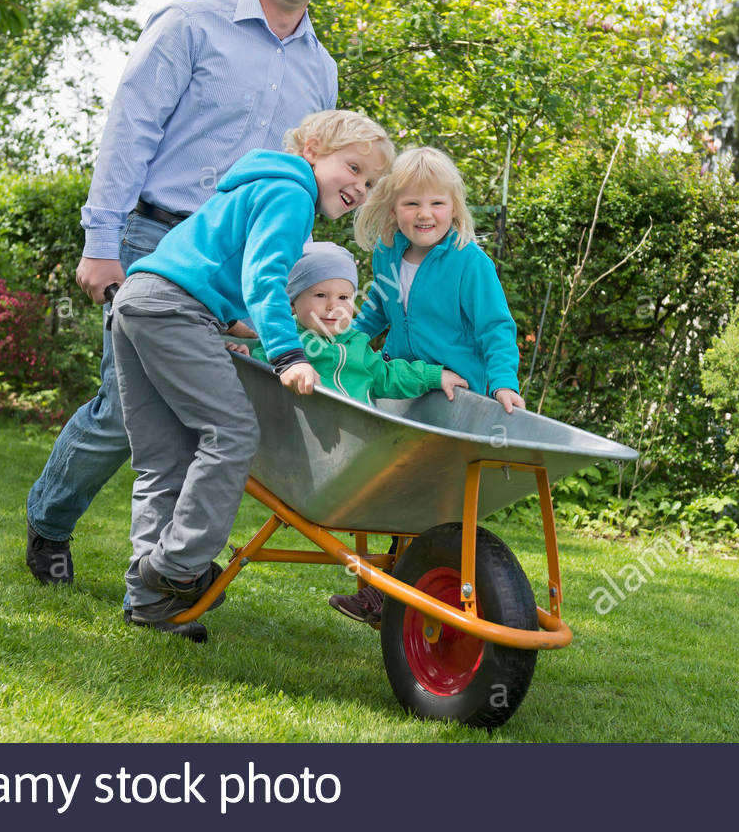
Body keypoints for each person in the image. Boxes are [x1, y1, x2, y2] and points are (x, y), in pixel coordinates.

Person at [25, 0, 342, 586]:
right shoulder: (190, 25)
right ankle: (50, 521)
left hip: (233, 268)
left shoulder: (323, 71)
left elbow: (304, 193)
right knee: (122, 412)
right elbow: (130, 129)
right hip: (152, 242)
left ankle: (164, 574)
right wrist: (100, 240)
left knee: (199, 424)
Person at [111, 109, 394, 641]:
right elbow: (264, 279)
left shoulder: (258, 183)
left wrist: (253, 333)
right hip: (174, 309)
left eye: (370, 182)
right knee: (233, 432)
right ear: (311, 147)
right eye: (353, 168)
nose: (360, 187)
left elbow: (229, 283)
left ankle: (149, 603)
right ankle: (177, 569)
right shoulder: (291, 194)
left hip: (140, 299)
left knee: (162, 459)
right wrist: (288, 356)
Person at [327, 146, 525, 624]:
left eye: (436, 203)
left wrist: (501, 383)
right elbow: (375, 313)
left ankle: (392, 595)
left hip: (455, 395)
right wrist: (335, 342)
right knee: (401, 488)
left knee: (426, 498)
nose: (424, 214)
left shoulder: (467, 263)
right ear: (392, 207)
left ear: (454, 207)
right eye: (412, 203)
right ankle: (390, 594)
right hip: (404, 384)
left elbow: (495, 328)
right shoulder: (389, 256)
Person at [274, 241, 469, 405]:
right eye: (320, 295)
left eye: (343, 297)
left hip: (357, 437)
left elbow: (388, 375)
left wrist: (433, 376)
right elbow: (259, 371)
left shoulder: (355, 344)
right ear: (292, 302)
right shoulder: (287, 342)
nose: (333, 306)